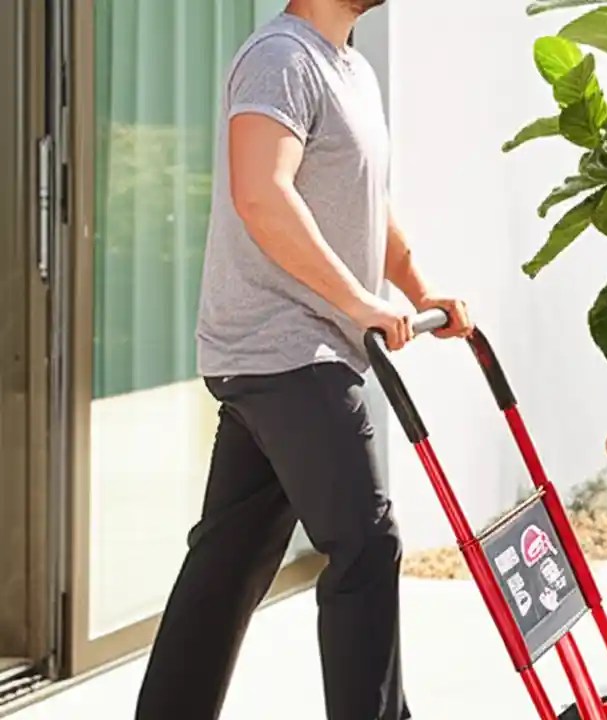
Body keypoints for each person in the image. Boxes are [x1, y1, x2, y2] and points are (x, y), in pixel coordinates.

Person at [134, 1, 469, 718]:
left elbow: (367, 207)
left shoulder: (353, 70)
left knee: (229, 560)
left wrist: (421, 290)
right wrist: (359, 302)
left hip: (294, 350)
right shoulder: (281, 58)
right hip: (285, 347)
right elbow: (262, 193)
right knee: (365, 544)